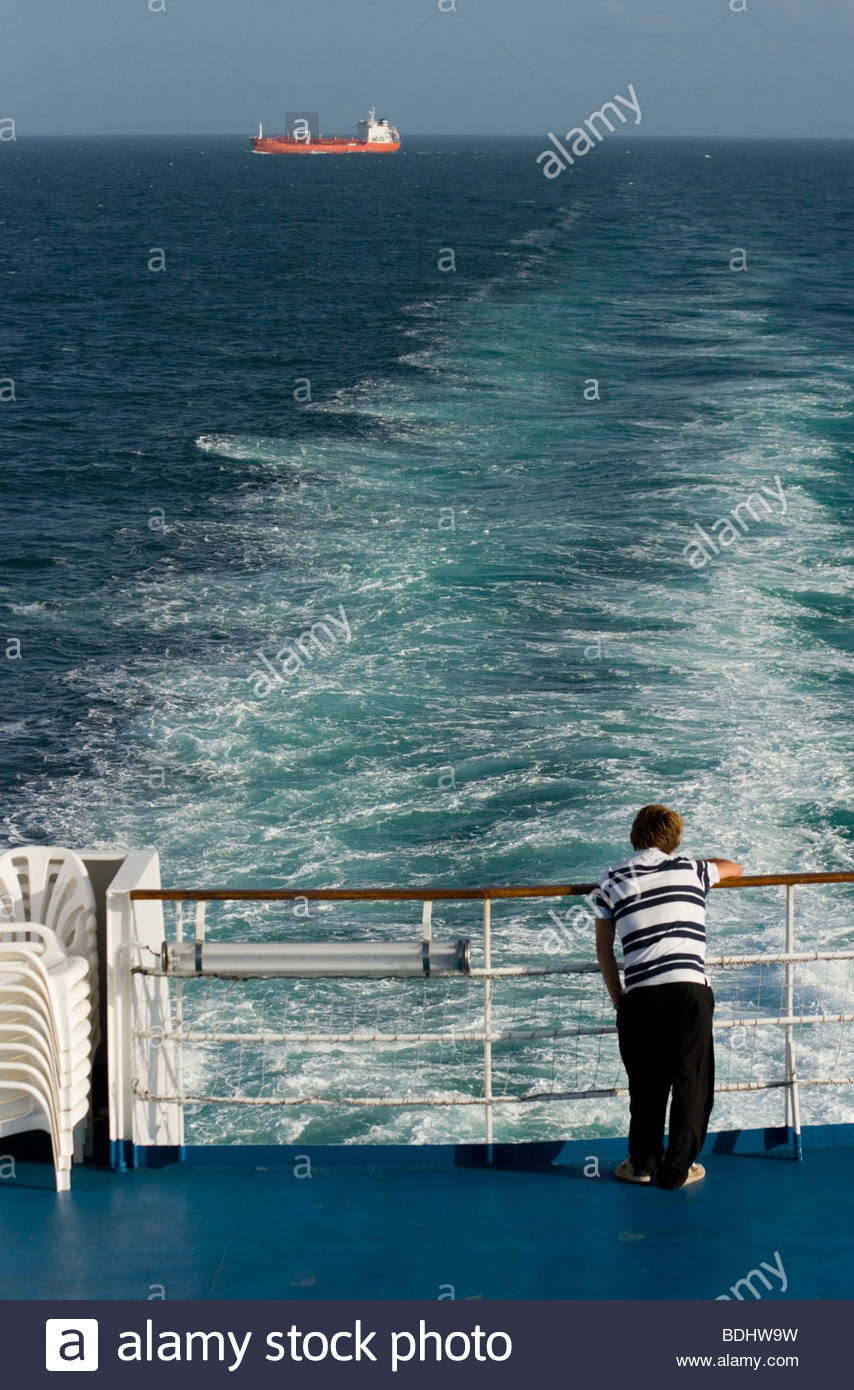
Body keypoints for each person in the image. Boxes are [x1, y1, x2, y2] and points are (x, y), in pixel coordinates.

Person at [592, 804, 742, 1189]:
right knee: (692, 1080)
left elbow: (604, 951)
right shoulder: (693, 869)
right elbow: (735, 867)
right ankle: (678, 1169)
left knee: (645, 1084)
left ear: (634, 836)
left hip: (640, 996)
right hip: (689, 991)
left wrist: (619, 1000)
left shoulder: (611, 878)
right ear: (674, 840)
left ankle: (641, 1164)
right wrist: (692, 861)